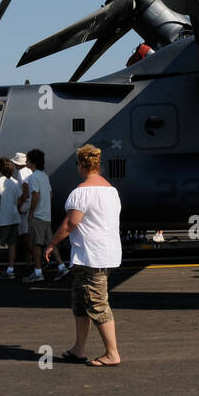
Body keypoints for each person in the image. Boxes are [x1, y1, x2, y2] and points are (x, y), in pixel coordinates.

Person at [45, 144, 122, 366]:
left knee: (97, 304)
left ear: (81, 165)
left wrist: (52, 243)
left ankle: (112, 353)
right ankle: (79, 349)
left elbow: (71, 223)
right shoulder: (111, 190)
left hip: (91, 256)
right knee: (80, 302)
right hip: (98, 253)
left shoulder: (80, 192)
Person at [22, 149, 65, 282]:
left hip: (38, 216)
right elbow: (50, 194)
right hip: (46, 215)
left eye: (28, 160)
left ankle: (38, 272)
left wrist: (31, 212)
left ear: (32, 162)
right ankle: (62, 266)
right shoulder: (44, 175)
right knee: (50, 242)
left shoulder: (33, 177)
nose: (26, 162)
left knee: (36, 245)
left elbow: (35, 195)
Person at [0, 158, 25, 279]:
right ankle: (10, 270)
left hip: (2, 217)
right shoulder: (15, 182)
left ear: (0, 169)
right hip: (14, 217)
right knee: (12, 244)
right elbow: (19, 200)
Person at [12, 151, 34, 274]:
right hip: (32, 204)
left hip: (25, 205)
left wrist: (19, 204)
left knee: (24, 234)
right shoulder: (30, 171)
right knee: (28, 233)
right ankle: (30, 258)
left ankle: (32, 257)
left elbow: (25, 190)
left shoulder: (21, 173)